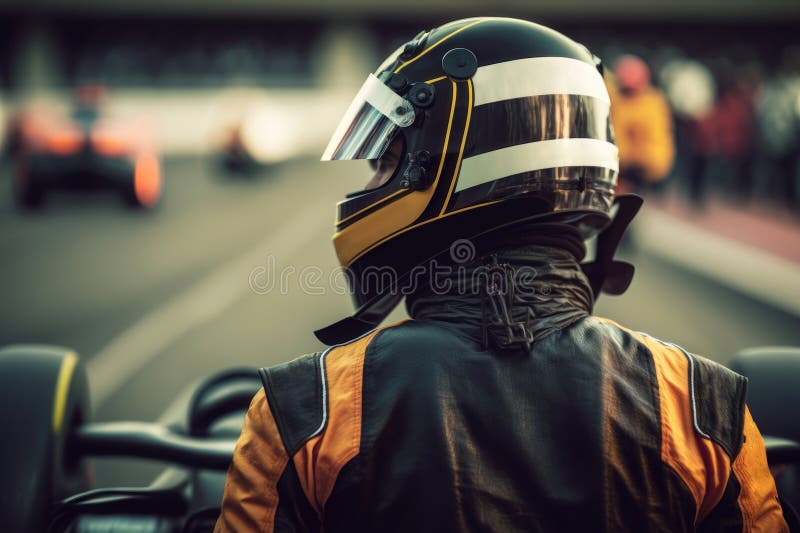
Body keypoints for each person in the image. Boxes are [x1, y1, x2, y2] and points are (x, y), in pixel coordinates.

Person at [215, 18, 787, 532]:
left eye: (385, 164)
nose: (368, 189)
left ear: (464, 162)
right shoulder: (702, 408)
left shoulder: (305, 409)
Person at [608, 54, 675, 194]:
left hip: (640, 165)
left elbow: (653, 142)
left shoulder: (652, 103)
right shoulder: (617, 98)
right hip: (625, 162)